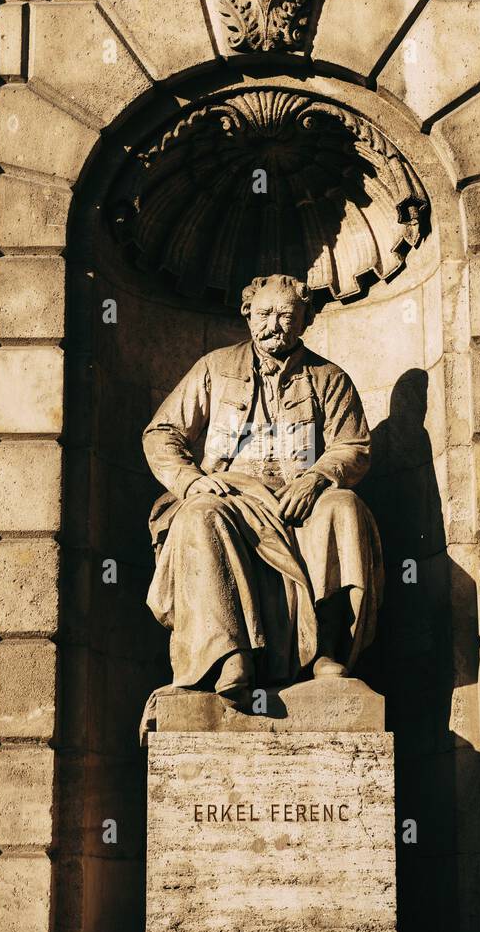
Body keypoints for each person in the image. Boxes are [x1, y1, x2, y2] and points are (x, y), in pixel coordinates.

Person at [142, 274, 383, 711]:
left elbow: (354, 446)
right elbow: (162, 433)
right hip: (230, 496)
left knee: (344, 507)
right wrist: (192, 480)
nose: (276, 324)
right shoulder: (213, 368)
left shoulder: (329, 378)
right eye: (266, 314)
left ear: (305, 320)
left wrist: (317, 478)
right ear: (247, 313)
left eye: (287, 315)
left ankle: (326, 647)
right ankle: (229, 654)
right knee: (199, 514)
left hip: (299, 500)